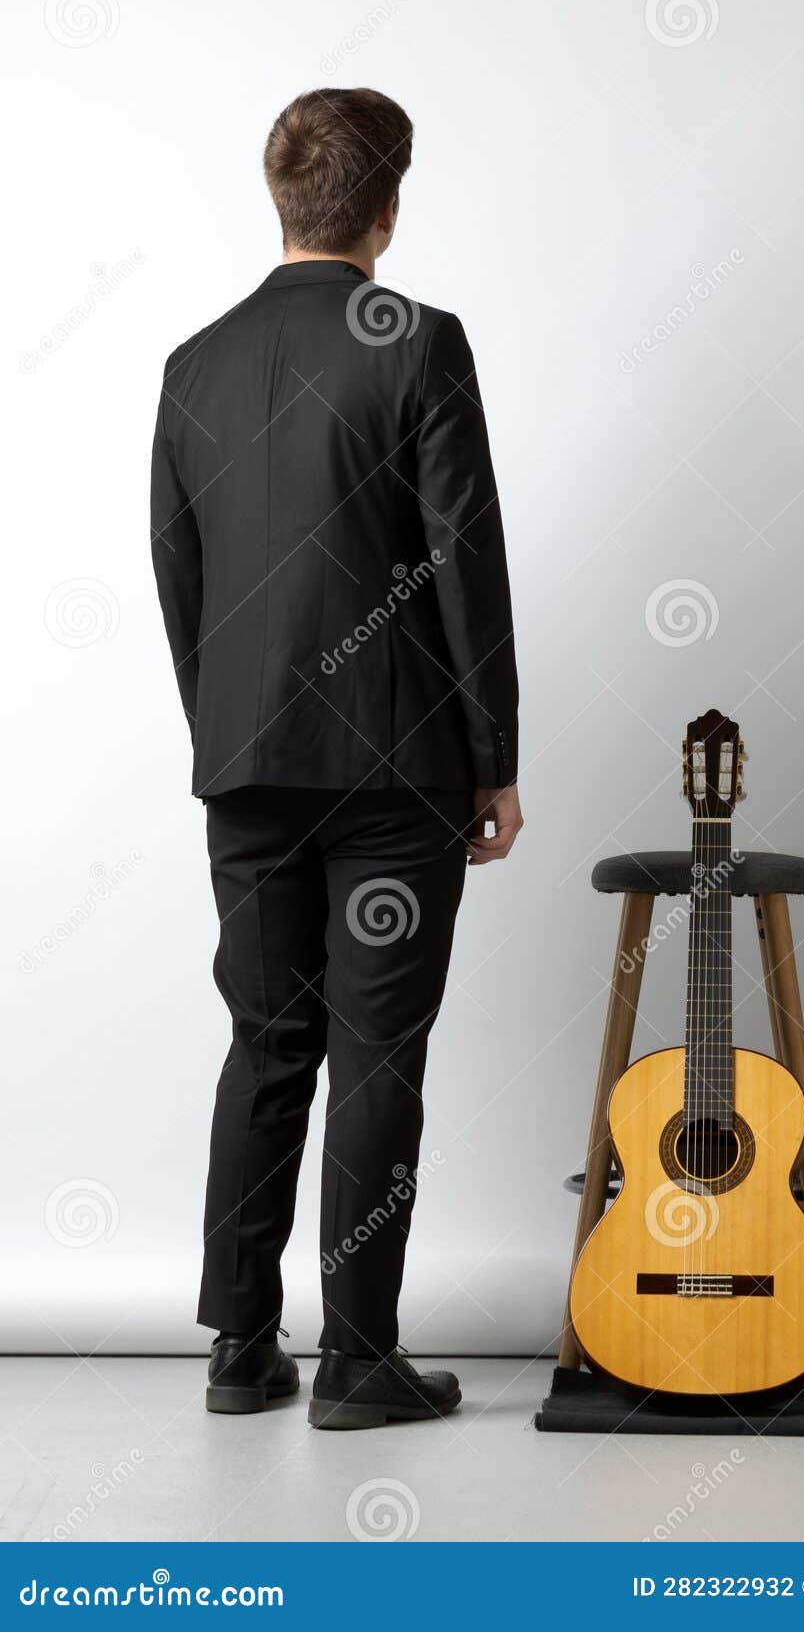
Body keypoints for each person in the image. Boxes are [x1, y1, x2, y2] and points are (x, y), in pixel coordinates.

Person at [150, 87, 521, 1430]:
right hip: (396, 768)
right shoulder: (417, 344)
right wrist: (493, 756)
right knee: (376, 1054)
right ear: (387, 206)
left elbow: (179, 581)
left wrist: (227, 738)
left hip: (245, 764)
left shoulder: (193, 363)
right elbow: (461, 569)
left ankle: (240, 1350)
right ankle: (359, 1364)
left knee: (265, 1041)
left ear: (280, 197)